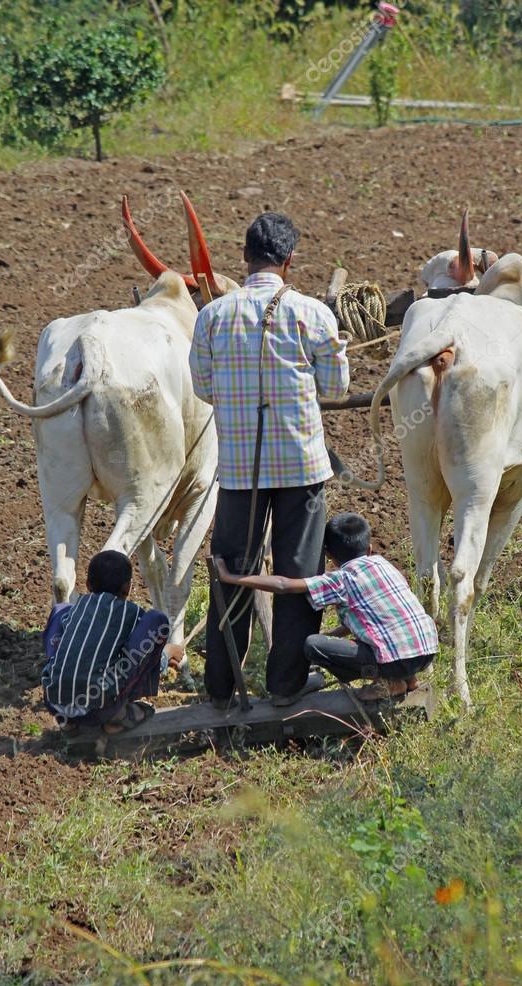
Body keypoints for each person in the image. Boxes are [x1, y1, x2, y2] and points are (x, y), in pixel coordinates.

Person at [190, 211, 349, 709]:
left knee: (230, 567)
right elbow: (337, 388)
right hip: (302, 467)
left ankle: (220, 687)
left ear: (244, 256)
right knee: (299, 570)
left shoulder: (212, 316)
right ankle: (285, 685)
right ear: (290, 260)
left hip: (238, 472)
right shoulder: (312, 314)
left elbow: (203, 388)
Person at [216, 513, 438, 702]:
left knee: (314, 645)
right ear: (369, 548)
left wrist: (231, 577)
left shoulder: (341, 579)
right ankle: (409, 679)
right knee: (376, 641)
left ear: (329, 555)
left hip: (395, 661)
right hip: (427, 652)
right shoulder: (384, 565)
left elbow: (283, 585)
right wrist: (333, 635)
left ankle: (387, 682)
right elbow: (377, 620)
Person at [42, 550, 184, 734]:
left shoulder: (78, 607)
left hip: (54, 702)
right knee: (157, 620)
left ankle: (70, 723)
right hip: (100, 710)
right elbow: (139, 655)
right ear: (128, 587)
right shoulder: (131, 613)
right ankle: (119, 716)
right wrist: (166, 653)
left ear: (87, 584)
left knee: (60, 609)